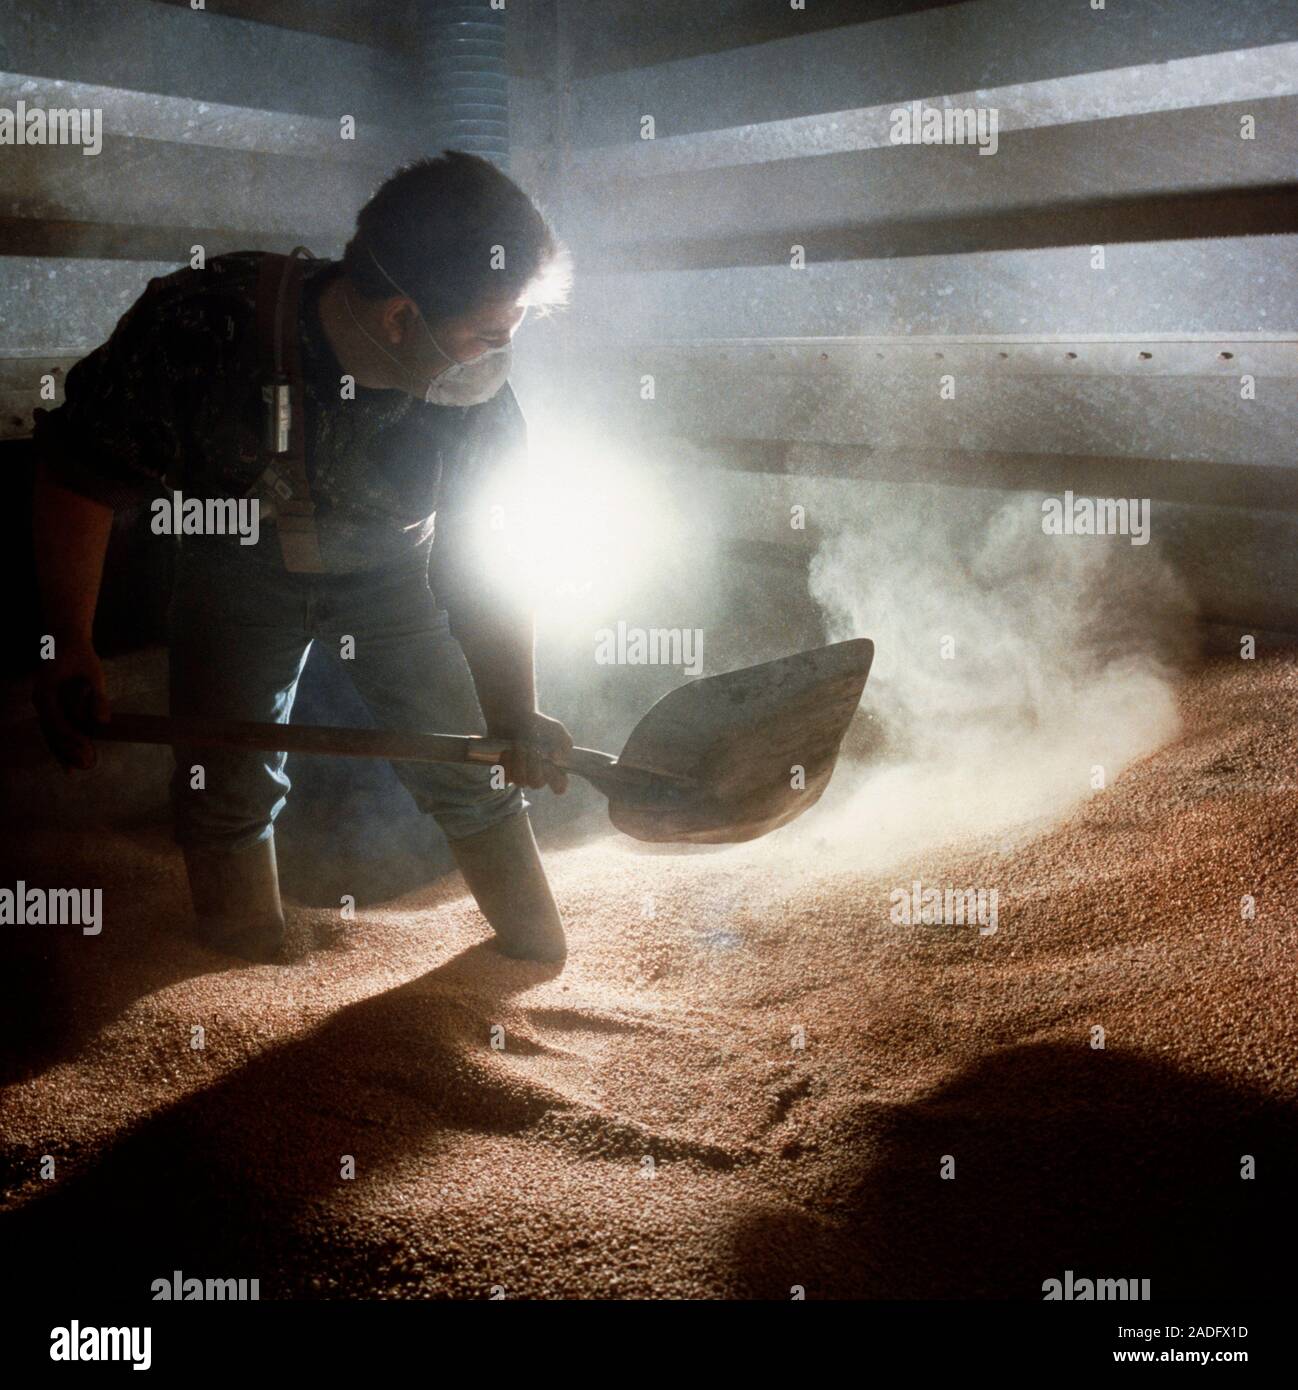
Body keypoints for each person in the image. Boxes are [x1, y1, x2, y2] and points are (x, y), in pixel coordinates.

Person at [31, 151, 575, 965]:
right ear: (399, 318)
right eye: (488, 335)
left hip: (396, 575)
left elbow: (491, 558)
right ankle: (242, 981)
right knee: (226, 788)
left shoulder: (477, 399)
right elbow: (80, 477)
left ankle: (540, 960)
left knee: (475, 766)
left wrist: (515, 714)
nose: (500, 357)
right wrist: (66, 643)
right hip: (235, 567)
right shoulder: (203, 323)